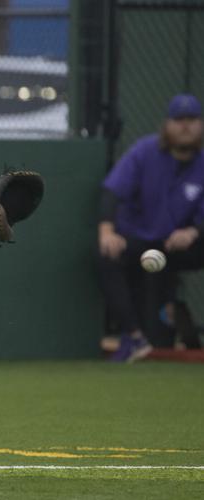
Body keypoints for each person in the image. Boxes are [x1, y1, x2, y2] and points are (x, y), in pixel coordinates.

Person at [98, 93, 204, 362]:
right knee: (108, 253)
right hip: (140, 239)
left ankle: (176, 317)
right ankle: (134, 337)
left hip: (182, 243)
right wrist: (107, 231)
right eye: (179, 119)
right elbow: (112, 191)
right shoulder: (145, 151)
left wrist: (194, 231)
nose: (185, 126)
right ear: (167, 125)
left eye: (192, 119)